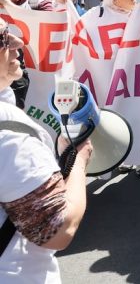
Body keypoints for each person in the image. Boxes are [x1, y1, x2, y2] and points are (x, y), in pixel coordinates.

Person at [0, 15, 93, 283]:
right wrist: (78, 162)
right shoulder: (9, 135)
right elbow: (57, 230)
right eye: (3, 38)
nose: (18, 42)